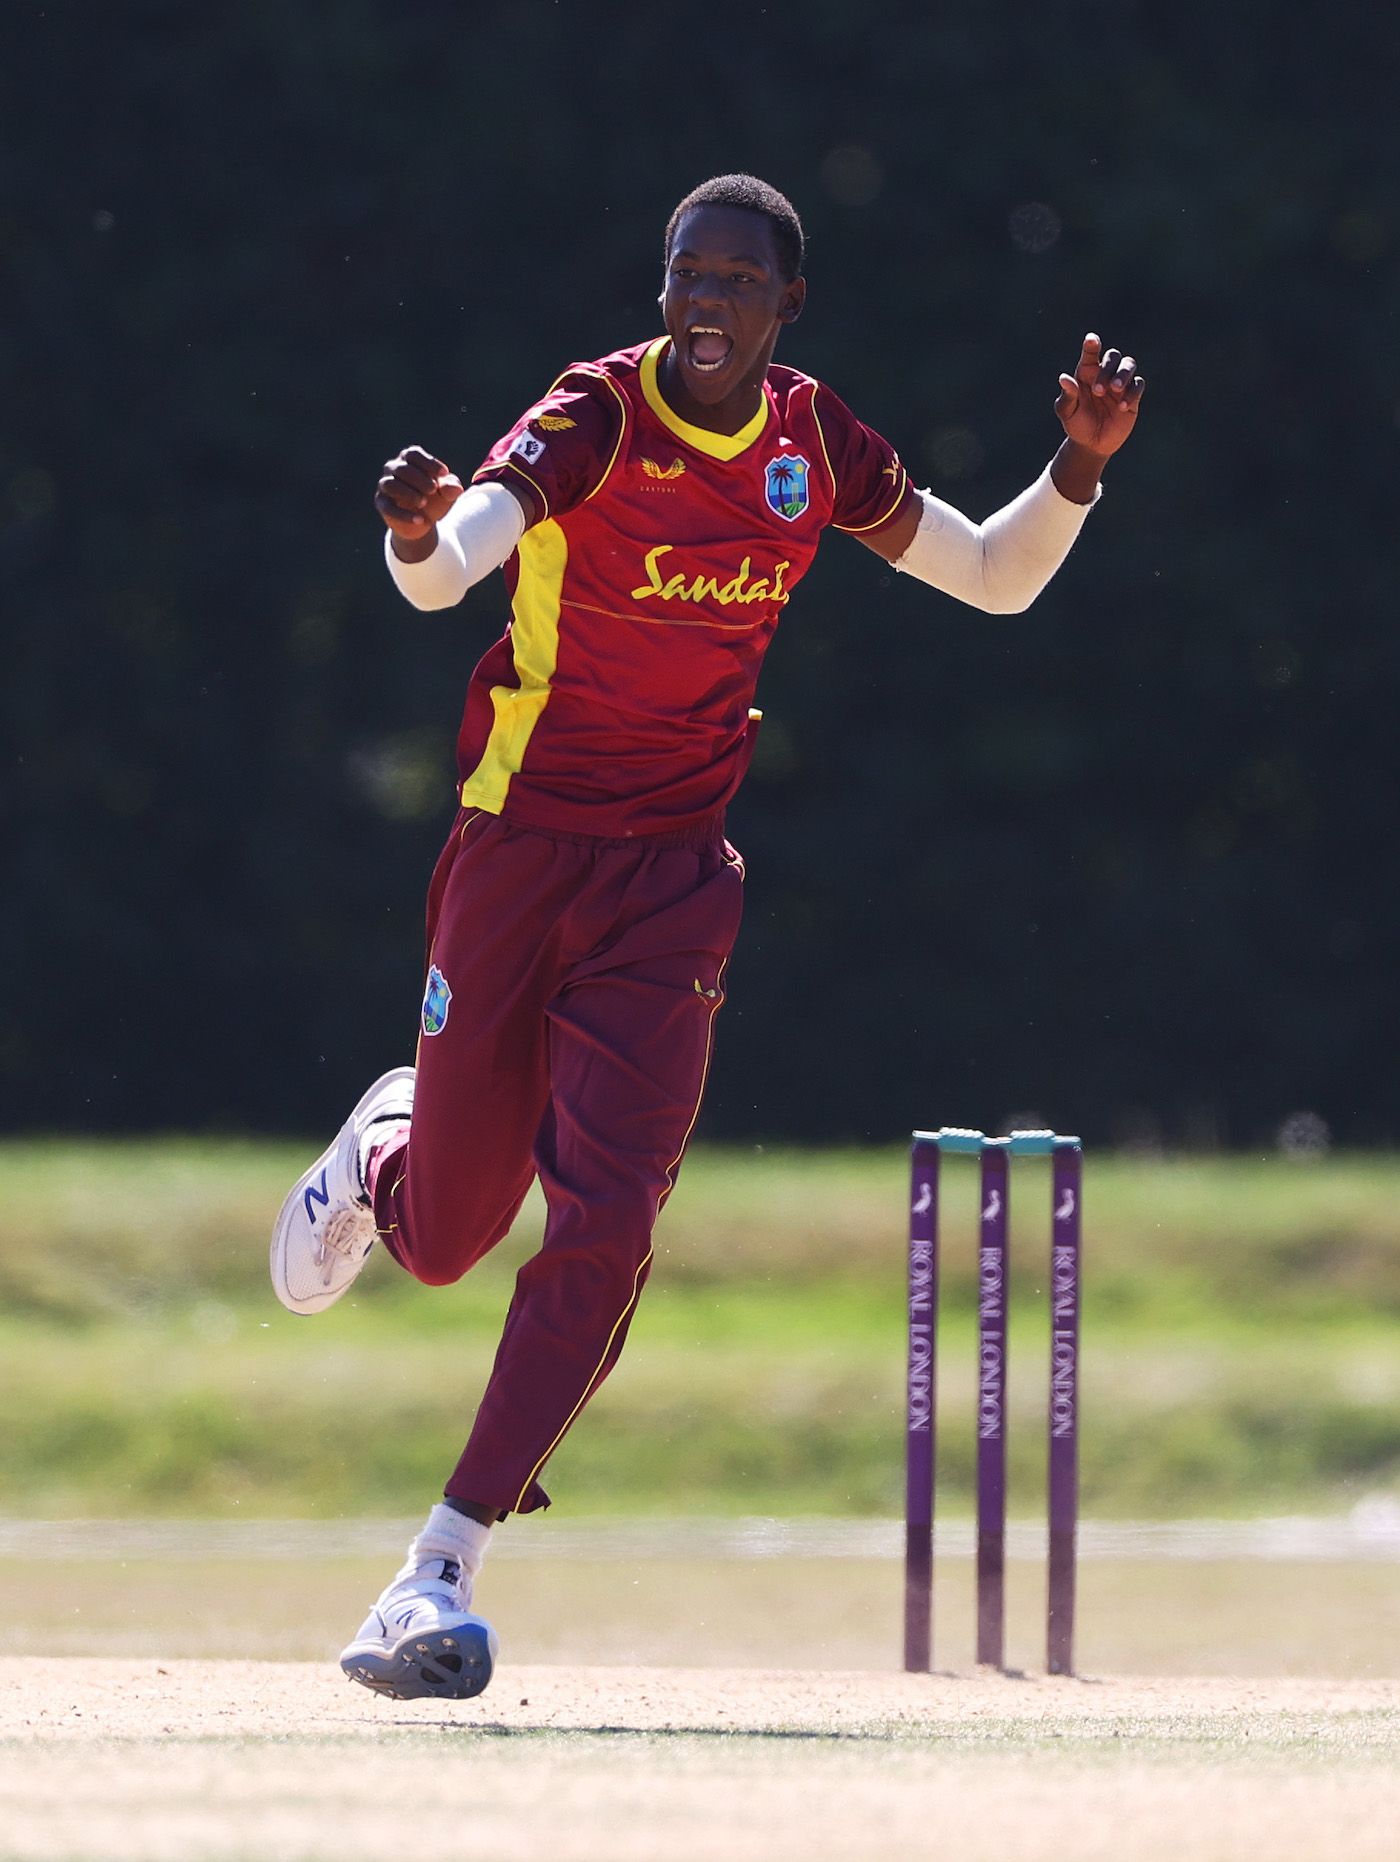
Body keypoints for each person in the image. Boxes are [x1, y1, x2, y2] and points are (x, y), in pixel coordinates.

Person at [270, 173, 1144, 1702]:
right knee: (456, 1234)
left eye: (741, 281)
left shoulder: (813, 446)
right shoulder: (596, 417)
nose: (708, 301)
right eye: (689, 273)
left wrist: (1073, 468)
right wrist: (416, 535)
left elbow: (992, 577)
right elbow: (449, 566)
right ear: (661, 284)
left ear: (786, 306)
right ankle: (388, 1158)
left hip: (673, 883)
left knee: (606, 1229)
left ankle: (440, 1567)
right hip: (519, 848)